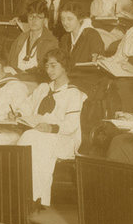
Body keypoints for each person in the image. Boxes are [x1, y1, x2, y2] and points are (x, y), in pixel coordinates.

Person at [18, 48, 87, 209]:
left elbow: (71, 125)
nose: (49, 71)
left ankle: (35, 196)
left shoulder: (73, 93)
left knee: (34, 139)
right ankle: (26, 193)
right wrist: (18, 113)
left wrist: (51, 127)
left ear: (64, 65)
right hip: (39, 134)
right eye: (47, 66)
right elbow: (27, 107)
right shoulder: (43, 88)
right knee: (32, 137)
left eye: (53, 66)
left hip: (64, 138)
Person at [8, 2, 58, 75]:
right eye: (31, 16)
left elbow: (46, 69)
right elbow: (10, 61)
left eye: (39, 17)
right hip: (15, 78)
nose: (34, 20)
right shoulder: (21, 37)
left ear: (45, 20)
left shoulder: (51, 41)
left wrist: (22, 73)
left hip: (36, 80)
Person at [58, 2, 106, 67]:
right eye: (62, 19)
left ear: (80, 19)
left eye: (69, 19)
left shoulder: (92, 35)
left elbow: (98, 63)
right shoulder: (64, 39)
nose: (65, 23)